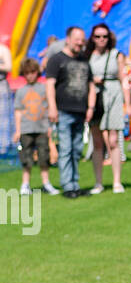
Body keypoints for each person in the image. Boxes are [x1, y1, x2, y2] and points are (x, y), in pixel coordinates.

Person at [45, 25, 90, 197]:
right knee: (65, 149)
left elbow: (90, 84)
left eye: (82, 40)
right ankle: (68, 186)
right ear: (68, 39)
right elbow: (49, 85)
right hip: (63, 111)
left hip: (80, 110)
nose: (80, 43)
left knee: (77, 149)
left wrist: (90, 107)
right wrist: (53, 108)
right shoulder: (56, 60)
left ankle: (75, 184)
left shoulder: (84, 60)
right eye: (77, 39)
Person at [85, 23, 127, 194]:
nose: (101, 40)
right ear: (93, 38)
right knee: (97, 141)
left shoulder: (116, 55)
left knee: (114, 140)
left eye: (104, 36)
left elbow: (124, 78)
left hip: (113, 94)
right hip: (95, 96)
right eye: (98, 36)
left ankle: (117, 181)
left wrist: (128, 102)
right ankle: (98, 182)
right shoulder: (88, 56)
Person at [14, 58, 59, 194]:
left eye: (33, 72)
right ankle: (25, 185)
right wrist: (18, 130)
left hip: (42, 128)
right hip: (26, 129)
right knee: (26, 158)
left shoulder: (43, 88)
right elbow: (18, 112)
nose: (30, 75)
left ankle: (46, 183)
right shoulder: (21, 91)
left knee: (44, 157)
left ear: (37, 72)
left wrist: (50, 126)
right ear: (24, 74)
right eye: (27, 73)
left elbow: (48, 108)